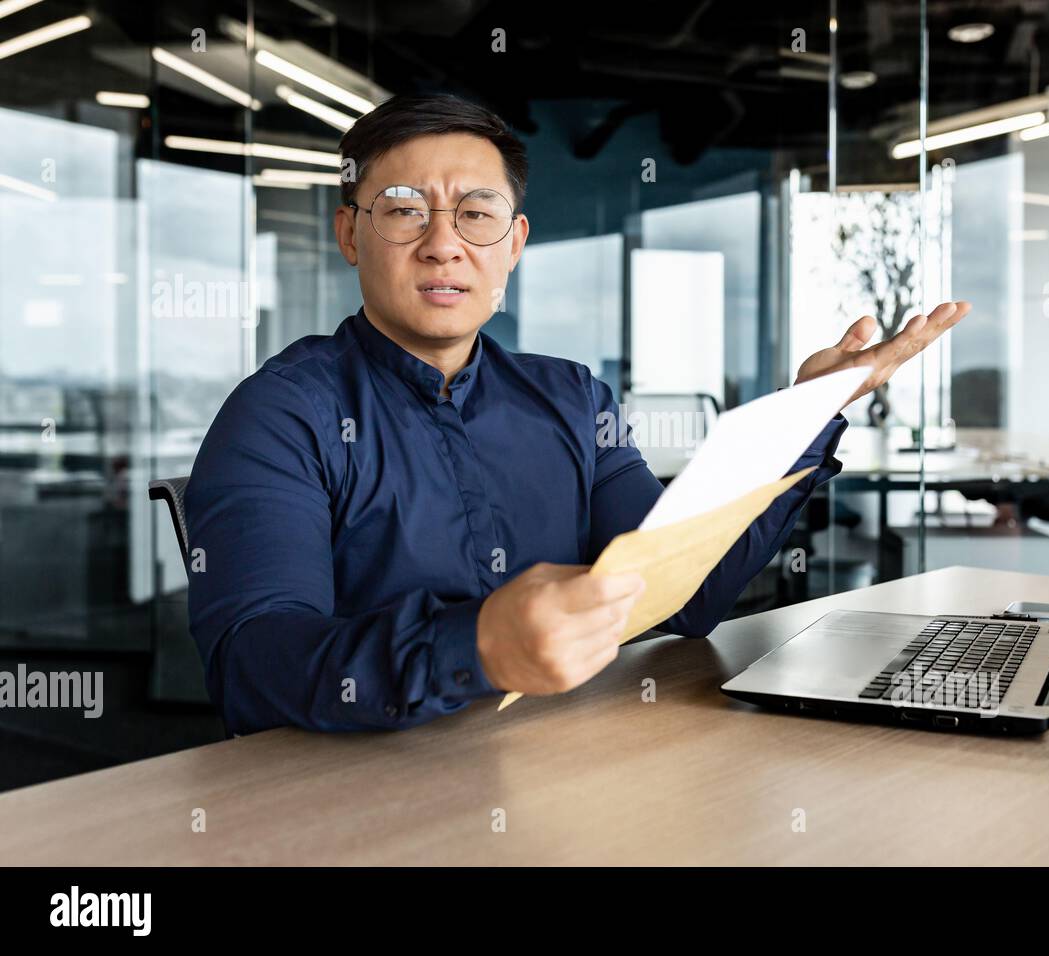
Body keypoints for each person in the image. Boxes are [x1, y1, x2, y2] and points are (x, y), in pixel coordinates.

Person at [185, 94, 970, 735]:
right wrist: (476, 646)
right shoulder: (282, 413)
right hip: (358, 801)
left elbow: (685, 594)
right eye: (402, 211)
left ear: (514, 242)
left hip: (564, 769)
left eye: (476, 214)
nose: (443, 245)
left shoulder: (571, 398)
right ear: (351, 233)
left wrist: (810, 407)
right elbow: (253, 667)